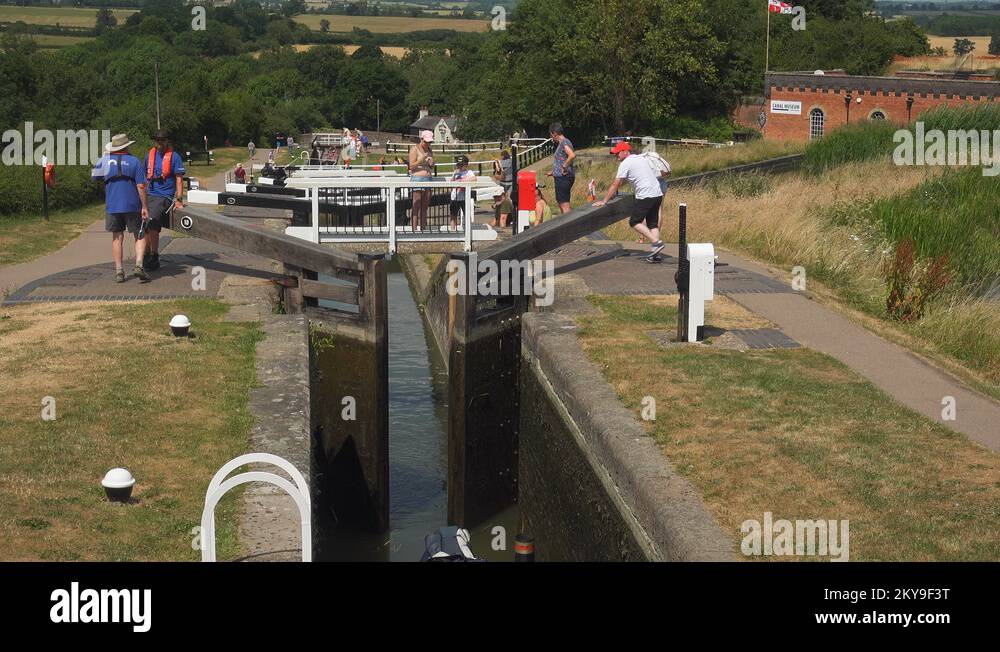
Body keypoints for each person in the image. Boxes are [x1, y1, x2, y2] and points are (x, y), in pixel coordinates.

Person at [592, 141, 665, 263]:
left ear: (625, 152)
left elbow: (615, 184)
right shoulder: (640, 158)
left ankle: (656, 242)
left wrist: (604, 201)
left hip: (645, 195)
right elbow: (631, 178)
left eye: (617, 154)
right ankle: (655, 255)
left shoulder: (625, 163)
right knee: (652, 223)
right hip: (657, 193)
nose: (616, 157)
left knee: (634, 222)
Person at [91, 133, 150, 282]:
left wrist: (104, 158)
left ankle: (119, 271)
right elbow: (141, 185)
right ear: (126, 146)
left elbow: (94, 177)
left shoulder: (104, 161)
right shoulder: (134, 161)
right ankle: (139, 264)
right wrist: (144, 206)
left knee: (117, 237)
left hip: (112, 206)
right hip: (133, 205)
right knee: (140, 235)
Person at [143, 128, 186, 271]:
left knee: (152, 221)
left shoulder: (174, 157)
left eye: (162, 140)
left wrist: (179, 199)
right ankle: (146, 254)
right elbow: (143, 177)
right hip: (149, 194)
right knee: (143, 224)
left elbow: (179, 180)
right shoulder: (150, 155)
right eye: (157, 140)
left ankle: (154, 256)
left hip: (164, 196)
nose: (159, 142)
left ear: (167, 141)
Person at [641, 147, 672, 241]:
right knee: (659, 211)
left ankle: (642, 237)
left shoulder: (643, 160)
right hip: (661, 185)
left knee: (644, 210)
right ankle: (656, 237)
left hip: (649, 185)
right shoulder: (658, 159)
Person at [408, 130, 435, 230]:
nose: (428, 143)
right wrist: (421, 159)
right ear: (421, 139)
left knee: (425, 207)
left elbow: (431, 167)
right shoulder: (414, 149)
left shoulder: (430, 150)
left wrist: (431, 162)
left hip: (428, 179)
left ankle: (423, 229)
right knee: (416, 205)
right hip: (417, 179)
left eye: (429, 142)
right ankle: (414, 230)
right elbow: (411, 166)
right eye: (426, 141)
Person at [547, 122, 576, 214]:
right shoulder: (563, 143)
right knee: (561, 202)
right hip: (560, 176)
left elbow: (571, 155)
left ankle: (569, 225)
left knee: (564, 204)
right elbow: (561, 159)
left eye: (551, 134)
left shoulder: (564, 142)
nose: (551, 137)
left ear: (554, 133)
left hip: (563, 178)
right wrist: (553, 171)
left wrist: (564, 166)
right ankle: (565, 223)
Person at [448, 155, 476, 231]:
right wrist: (454, 174)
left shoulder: (469, 172)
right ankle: (453, 229)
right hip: (455, 197)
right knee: (453, 215)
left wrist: (464, 181)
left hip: (465, 197)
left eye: (461, 165)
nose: (459, 167)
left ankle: (468, 230)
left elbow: (474, 179)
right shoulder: (455, 172)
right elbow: (451, 182)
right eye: (458, 165)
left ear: (466, 165)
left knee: (467, 214)